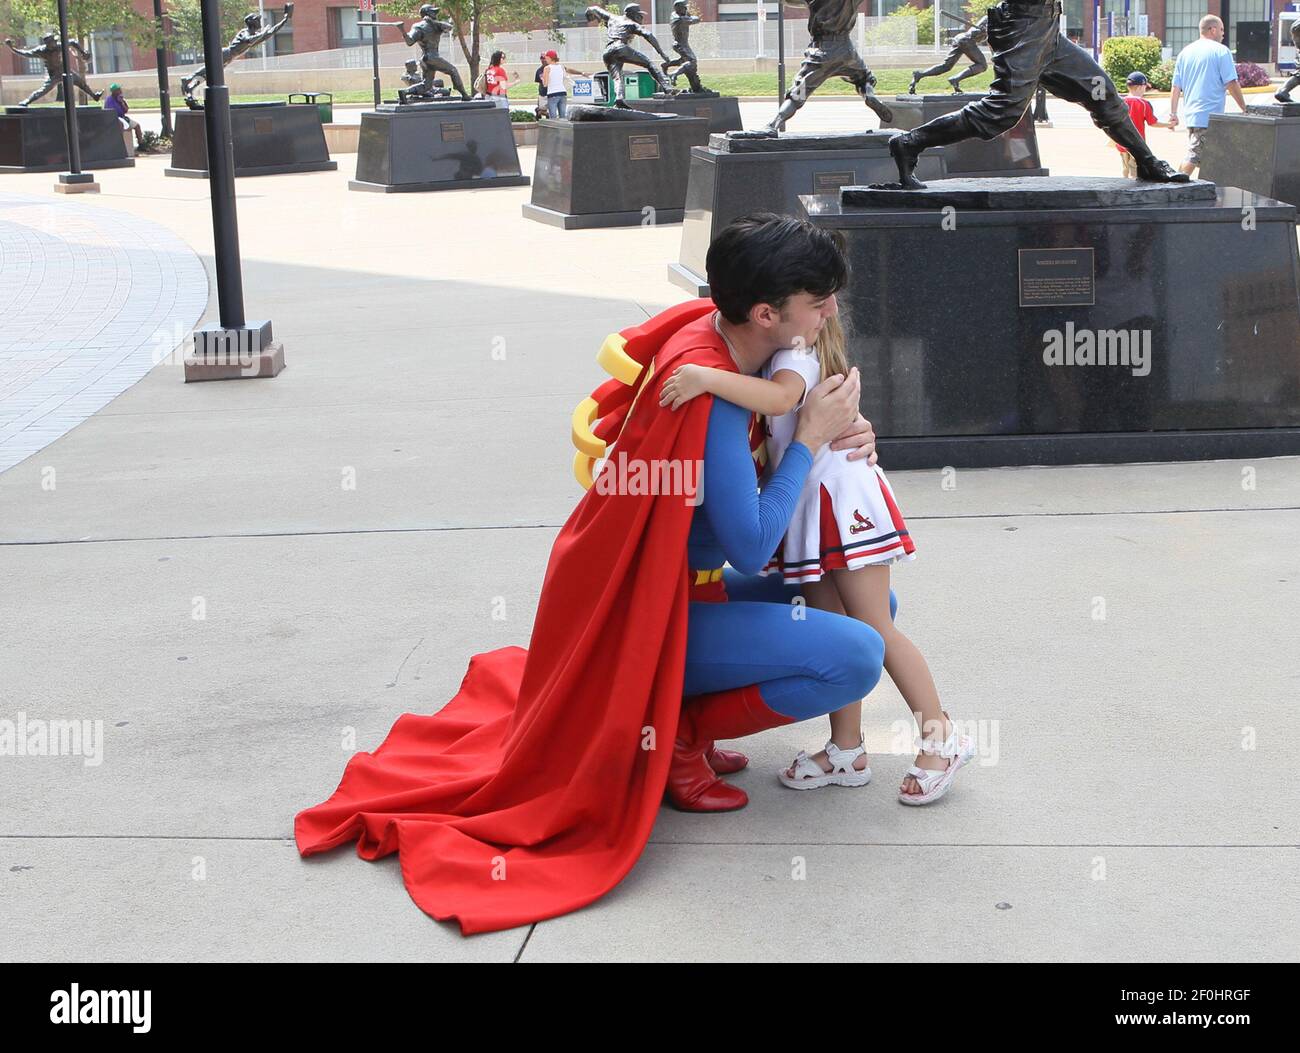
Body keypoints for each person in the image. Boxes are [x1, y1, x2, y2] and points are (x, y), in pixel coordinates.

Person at [295, 214, 890, 935]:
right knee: (859, 653)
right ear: (767, 314)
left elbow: (785, 418)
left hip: (657, 591)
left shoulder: (719, 335)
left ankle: (672, 721)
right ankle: (674, 730)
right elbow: (754, 544)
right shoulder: (709, 396)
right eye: (818, 300)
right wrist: (813, 442)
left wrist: (839, 436)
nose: (830, 311)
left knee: (871, 596)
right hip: (649, 616)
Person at [658, 318, 974, 805]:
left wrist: (705, 377)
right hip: (811, 501)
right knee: (834, 617)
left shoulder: (794, 354)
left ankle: (941, 737)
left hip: (837, 501)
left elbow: (781, 401)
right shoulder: (786, 352)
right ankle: (846, 750)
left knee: (875, 626)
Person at [885, 0, 1188, 188]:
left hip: (1048, 30)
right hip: (1022, 27)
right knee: (1001, 112)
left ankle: (1147, 162)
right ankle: (909, 144)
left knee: (1105, 96)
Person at [1168, 15, 1247, 176]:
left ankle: (1213, 191)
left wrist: (1173, 114)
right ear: (1212, 30)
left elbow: (1176, 87)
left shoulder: (1185, 53)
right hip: (1209, 117)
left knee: (1211, 158)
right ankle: (1173, 186)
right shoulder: (1221, 51)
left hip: (1192, 116)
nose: (1224, 33)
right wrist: (1245, 108)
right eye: (1222, 29)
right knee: (1194, 156)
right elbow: (1231, 83)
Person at [4, 32, 101, 107]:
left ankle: (94, 96)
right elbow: (24, 53)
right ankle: (26, 101)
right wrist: (11, 48)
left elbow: (73, 42)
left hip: (64, 70)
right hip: (53, 75)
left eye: (55, 41)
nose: (55, 43)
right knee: (43, 90)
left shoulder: (59, 46)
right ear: (48, 43)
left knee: (80, 82)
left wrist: (82, 52)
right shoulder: (41, 51)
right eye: (53, 42)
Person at [909, 15, 988, 95]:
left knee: (946, 66)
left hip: (961, 38)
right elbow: (974, 32)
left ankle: (920, 74)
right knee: (982, 65)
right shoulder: (990, 18)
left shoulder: (995, 20)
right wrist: (981, 30)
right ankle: (956, 79)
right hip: (966, 40)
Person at [1115, 71, 1164, 179]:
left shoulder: (1120, 101)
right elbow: (1153, 122)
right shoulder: (1144, 104)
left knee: (1125, 169)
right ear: (1139, 87)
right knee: (1135, 172)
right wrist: (1169, 124)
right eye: (1144, 87)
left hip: (1121, 141)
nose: (1145, 90)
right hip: (1137, 144)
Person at [541, 50, 585, 118]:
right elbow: (566, 74)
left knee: (553, 117)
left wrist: (542, 79)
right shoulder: (561, 67)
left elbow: (545, 84)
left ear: (550, 58)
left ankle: (555, 128)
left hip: (553, 94)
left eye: (546, 58)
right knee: (563, 116)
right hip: (563, 93)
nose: (545, 60)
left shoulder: (547, 68)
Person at [103, 83, 143, 149]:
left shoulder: (120, 98)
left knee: (137, 126)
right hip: (115, 119)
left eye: (120, 89)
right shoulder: (109, 100)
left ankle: (141, 144)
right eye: (118, 90)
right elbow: (110, 112)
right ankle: (119, 146)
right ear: (114, 91)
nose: (120, 91)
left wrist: (122, 103)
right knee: (121, 126)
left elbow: (126, 110)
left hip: (123, 118)